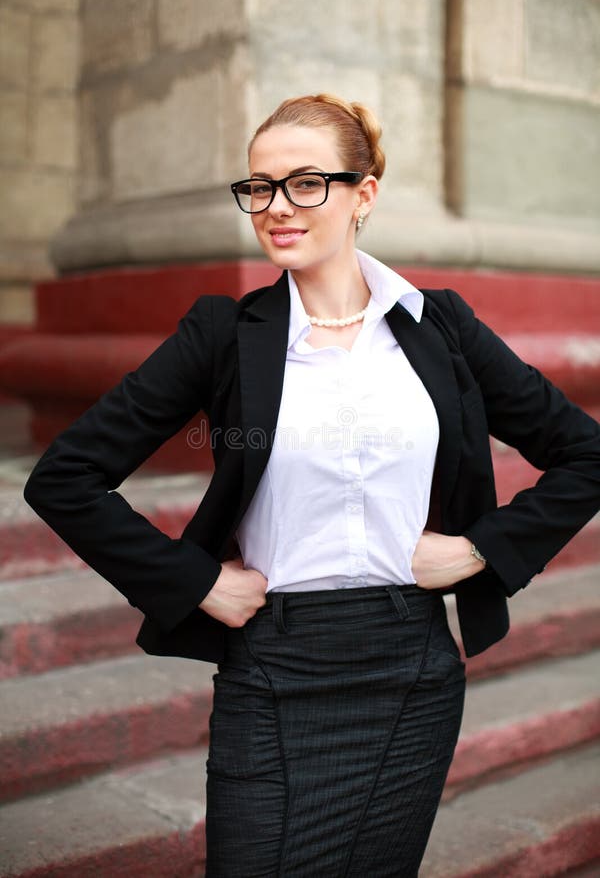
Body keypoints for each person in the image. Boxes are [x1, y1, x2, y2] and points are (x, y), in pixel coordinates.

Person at [24, 93, 600, 877]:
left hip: (410, 671)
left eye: (304, 183)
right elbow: (65, 478)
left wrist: (479, 551)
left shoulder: (444, 328)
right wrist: (195, 582)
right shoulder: (224, 333)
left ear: (364, 195)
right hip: (273, 666)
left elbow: (584, 454)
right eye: (259, 186)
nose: (274, 207)